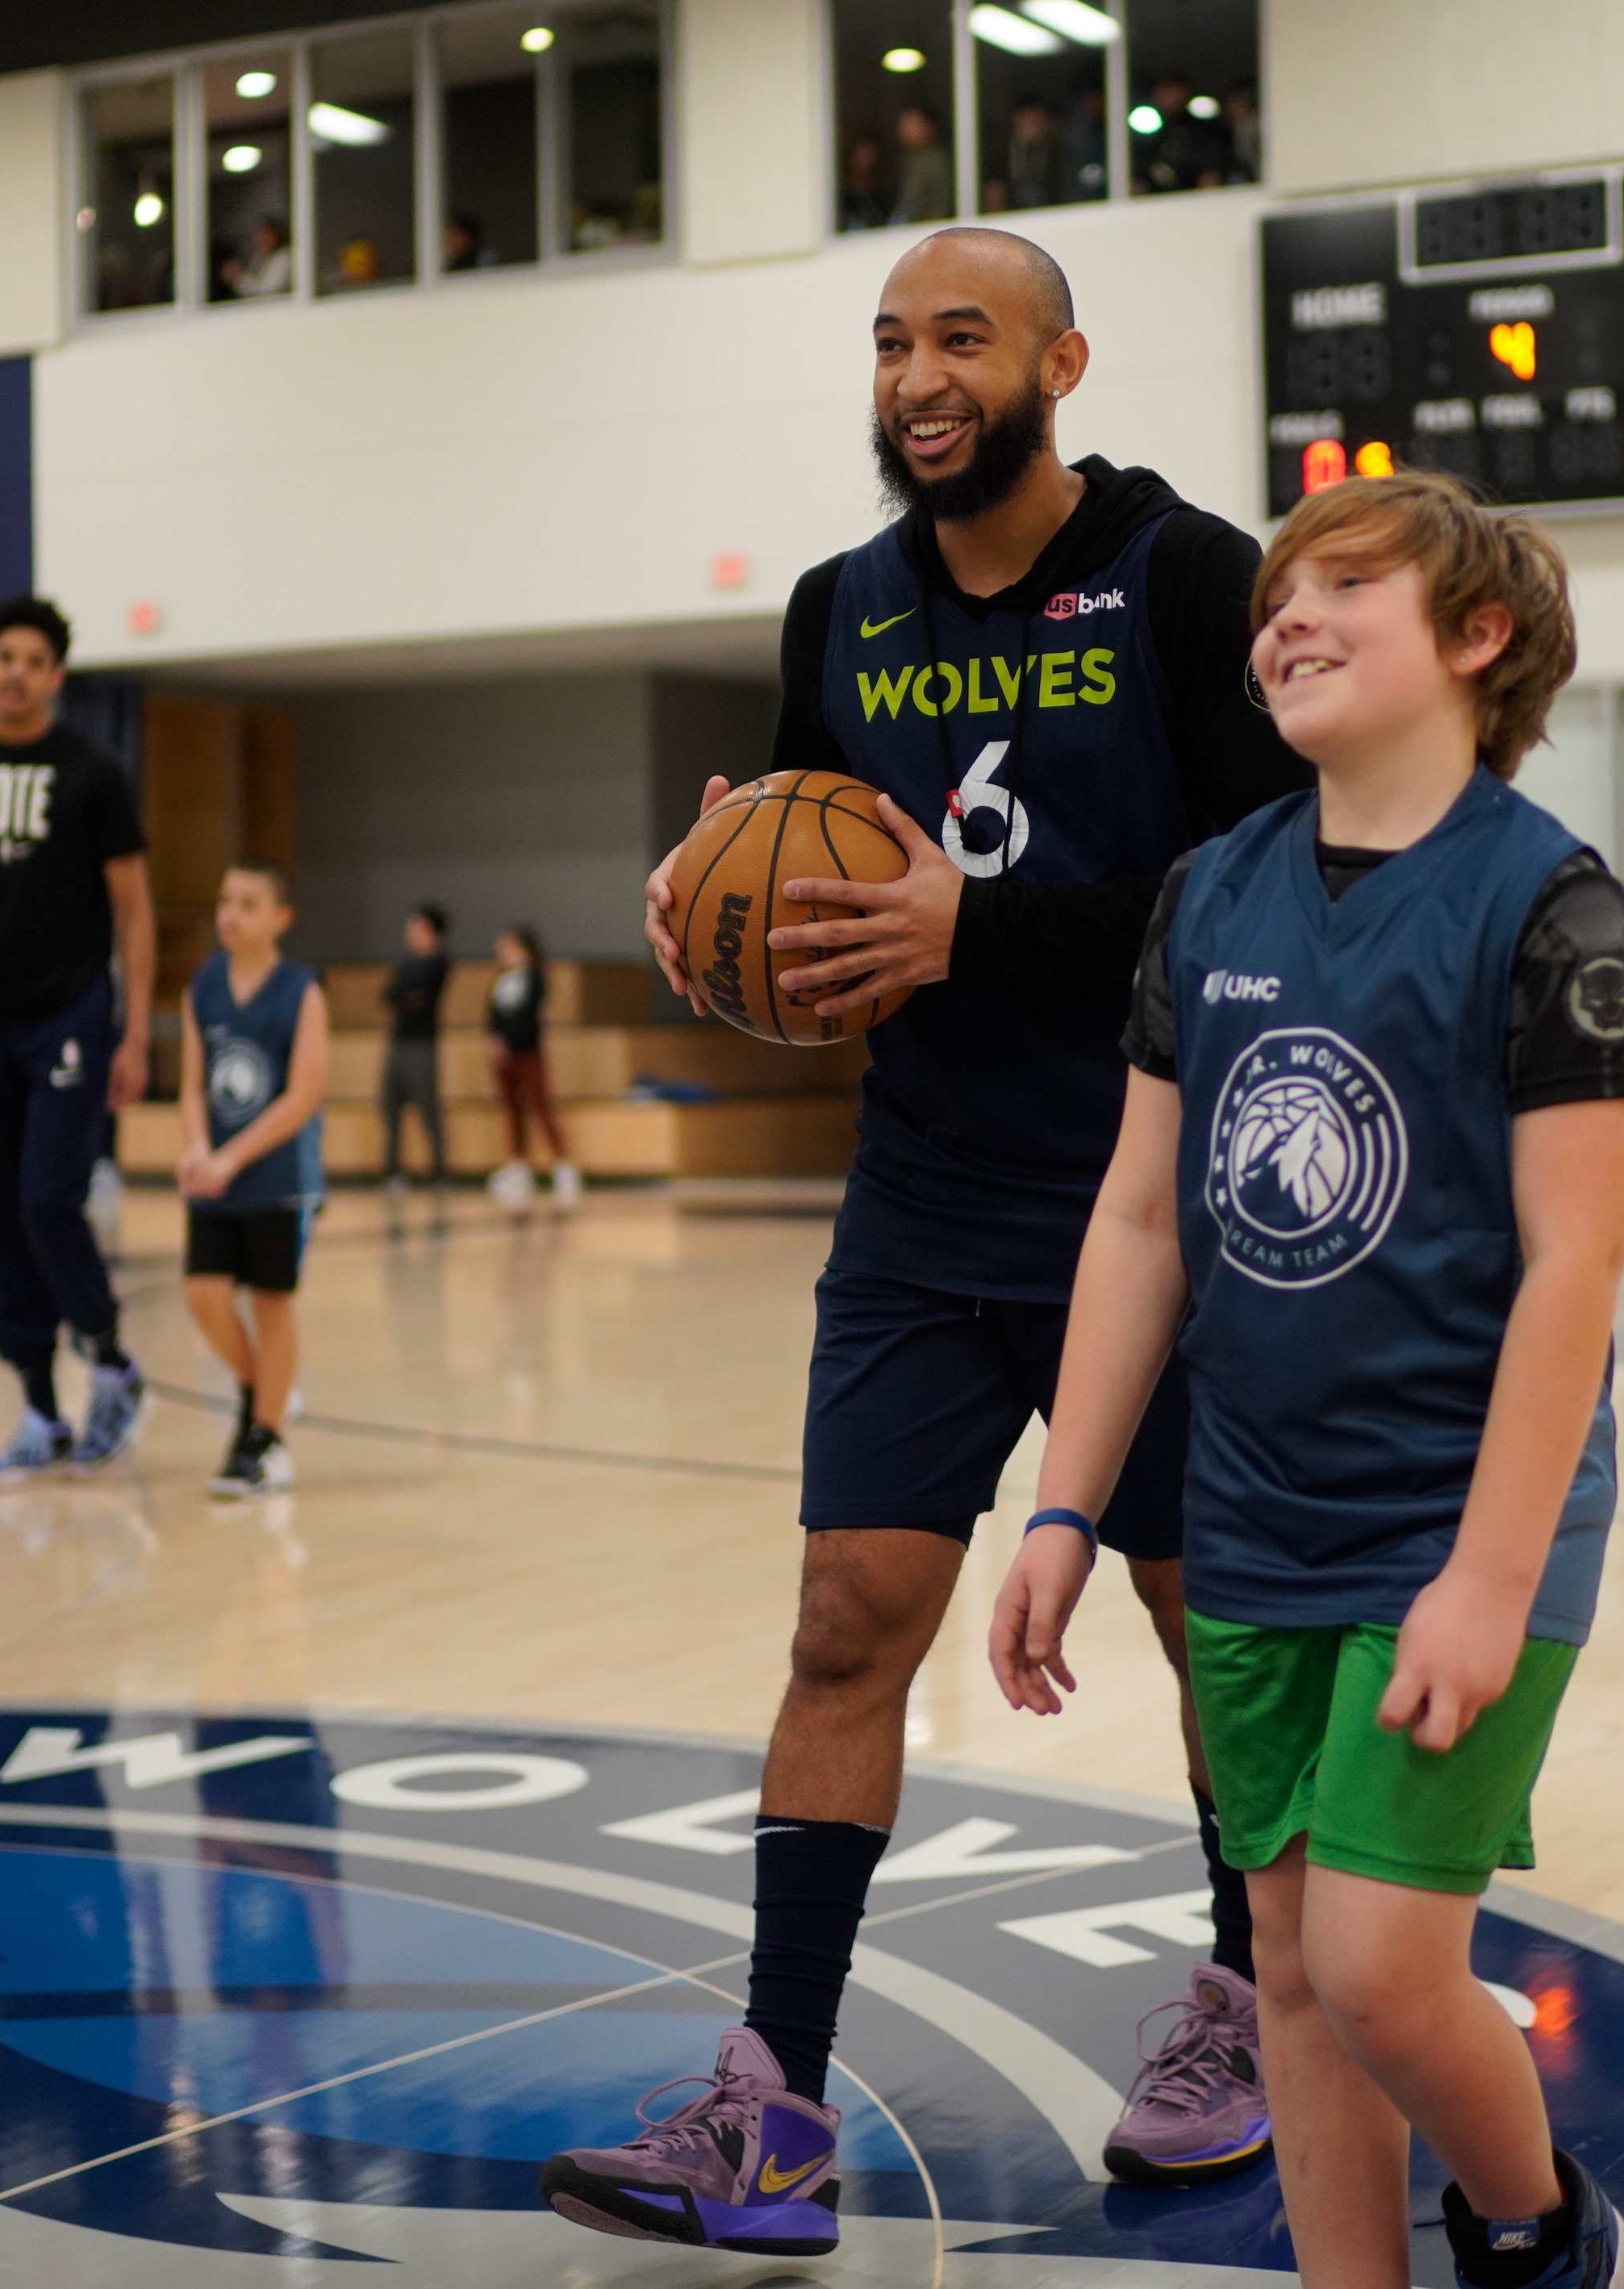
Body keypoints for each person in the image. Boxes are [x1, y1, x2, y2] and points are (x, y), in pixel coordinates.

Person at [536, 226, 1311, 2253]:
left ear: (1061, 361)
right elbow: (809, 859)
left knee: (1205, 1628)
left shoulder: (1185, 579)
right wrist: (711, 900)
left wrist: (982, 929)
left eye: (960, 338)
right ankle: (772, 2104)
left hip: (1158, 1199)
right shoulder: (840, 607)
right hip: (923, 1199)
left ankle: (1245, 2005)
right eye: (889, 343)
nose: (916, 377)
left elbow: (1271, 893)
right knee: (842, 1620)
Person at [991, 472, 1624, 2289]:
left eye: (1345, 583)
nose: (1287, 615)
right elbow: (1140, 1220)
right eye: (1277, 593)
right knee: (1285, 1960)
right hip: (1253, 1511)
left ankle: (1538, 2226)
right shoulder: (1209, 892)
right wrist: (1063, 1504)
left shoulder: (1551, 905)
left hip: (1461, 1517)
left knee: (1377, 1963)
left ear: (1477, 636)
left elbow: (1576, 1268)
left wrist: (1490, 1575)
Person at [0, 596, 154, 1487]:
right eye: (3, 656)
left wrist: (134, 1035)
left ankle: (110, 1364)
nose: (15, 672)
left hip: (70, 1013)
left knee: (49, 1199)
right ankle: (39, 1411)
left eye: (33, 660)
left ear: (55, 677)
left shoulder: (93, 772)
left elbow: (133, 911)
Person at [178, 860, 328, 1499]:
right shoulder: (203, 986)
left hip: (277, 1176)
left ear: (280, 917)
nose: (230, 915)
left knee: (271, 1301)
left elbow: (302, 1098)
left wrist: (231, 1158)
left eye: (247, 903)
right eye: (224, 901)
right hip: (217, 1175)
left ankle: (263, 1438)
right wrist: (197, 1148)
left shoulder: (302, 991)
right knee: (203, 1294)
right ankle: (264, 1391)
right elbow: (191, 1085)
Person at [484, 922, 577, 1208]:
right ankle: (518, 1166)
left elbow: (527, 1018)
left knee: (540, 1105)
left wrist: (509, 1040)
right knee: (511, 1109)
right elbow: (493, 1016)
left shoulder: (535, 978)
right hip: (504, 1056)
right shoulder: (500, 979)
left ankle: (562, 1165)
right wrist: (495, 1040)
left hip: (527, 1051)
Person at [378, 904, 450, 1189]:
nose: (409, 932)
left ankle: (439, 1170)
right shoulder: (406, 964)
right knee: (390, 1103)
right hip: (398, 1041)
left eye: (416, 927)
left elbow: (418, 997)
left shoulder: (437, 962)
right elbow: (390, 994)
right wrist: (404, 997)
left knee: (426, 1104)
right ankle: (392, 1170)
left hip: (421, 1043)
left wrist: (404, 997)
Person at [887, 103, 951, 223]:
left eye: (912, 124)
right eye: (903, 124)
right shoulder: (907, 159)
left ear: (929, 128)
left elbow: (940, 204)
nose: (904, 129)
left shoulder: (935, 160)